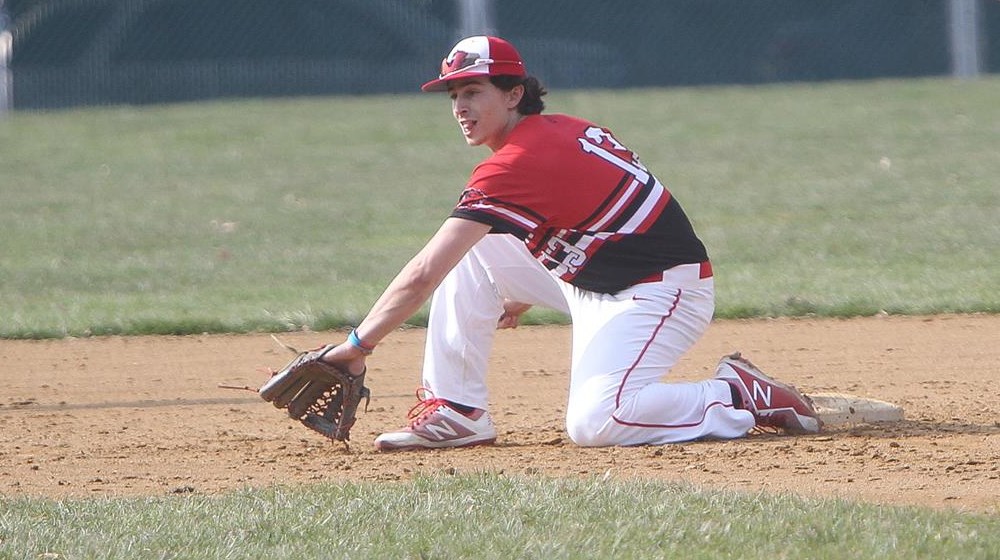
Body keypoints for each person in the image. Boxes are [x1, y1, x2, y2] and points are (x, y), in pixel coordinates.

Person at [316, 36, 820, 450]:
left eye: (473, 91)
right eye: (454, 96)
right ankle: (458, 410)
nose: (460, 108)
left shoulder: (517, 162)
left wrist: (359, 346)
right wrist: (521, 285)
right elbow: (586, 224)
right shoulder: (559, 131)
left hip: (661, 292)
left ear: (514, 94)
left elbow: (424, 272)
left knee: (598, 422)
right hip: (601, 277)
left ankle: (734, 394)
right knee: (472, 250)